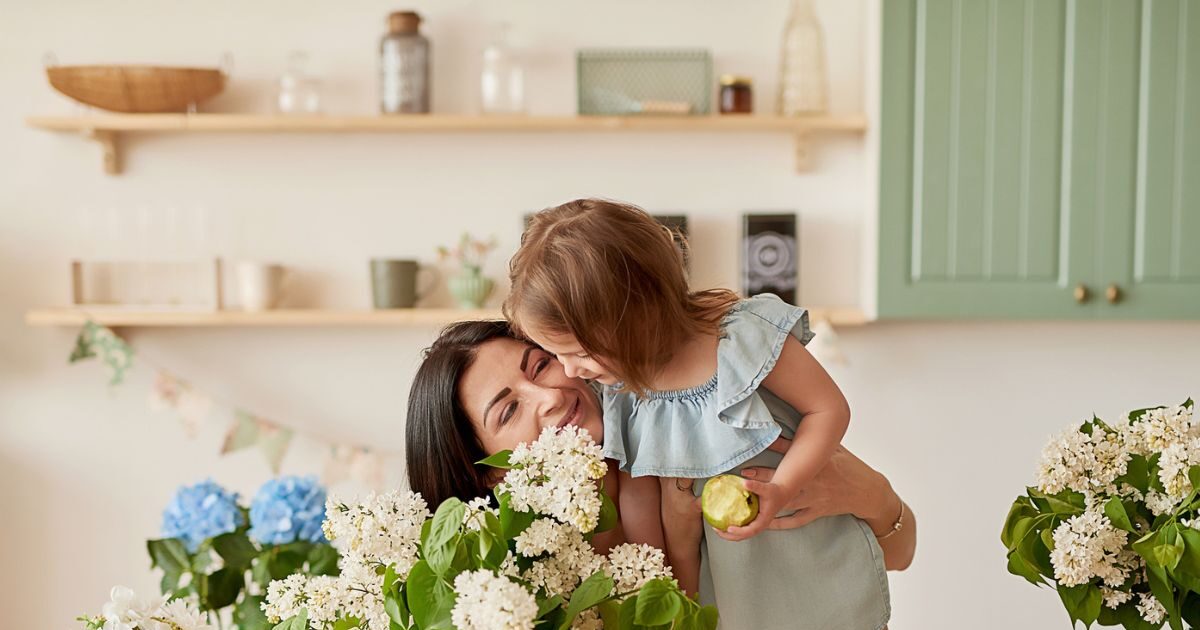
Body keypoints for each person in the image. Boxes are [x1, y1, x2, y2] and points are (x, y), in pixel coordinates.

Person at [502, 198, 890, 629]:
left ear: (636, 315)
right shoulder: (622, 394)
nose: (571, 371)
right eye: (557, 355)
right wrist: (666, 584)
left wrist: (782, 487)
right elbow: (639, 494)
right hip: (732, 593)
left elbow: (828, 409)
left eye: (579, 352)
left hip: (814, 555)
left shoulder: (741, 337)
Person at [405, 320, 914, 628]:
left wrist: (872, 494)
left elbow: (901, 550)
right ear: (487, 477)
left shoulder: (687, 428)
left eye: (539, 366)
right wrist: (684, 539)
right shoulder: (523, 582)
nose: (551, 398)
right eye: (508, 411)